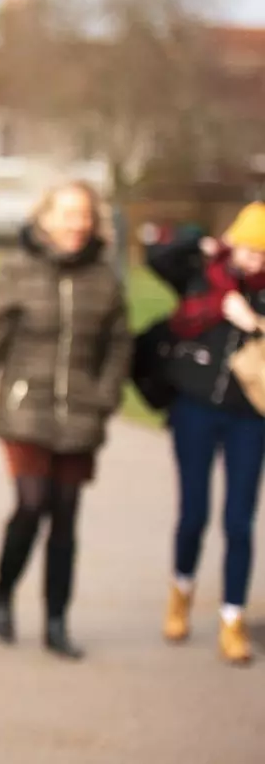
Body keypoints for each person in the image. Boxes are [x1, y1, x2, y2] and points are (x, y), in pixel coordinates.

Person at [0, 181, 131, 661]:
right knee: (32, 504)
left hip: (80, 414)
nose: (77, 224)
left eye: (84, 215)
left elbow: (119, 343)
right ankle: (4, 591)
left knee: (67, 516)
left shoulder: (104, 278)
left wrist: (106, 394)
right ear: (45, 217)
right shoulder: (17, 270)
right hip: (26, 407)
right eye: (67, 214)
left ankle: (56, 620)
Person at [147, 201, 265, 666]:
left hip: (250, 417)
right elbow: (158, 256)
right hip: (195, 409)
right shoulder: (202, 276)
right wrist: (201, 241)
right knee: (192, 512)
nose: (254, 260)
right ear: (232, 243)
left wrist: (251, 321)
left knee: (239, 521)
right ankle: (182, 591)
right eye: (249, 249)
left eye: (263, 254)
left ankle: (232, 619)